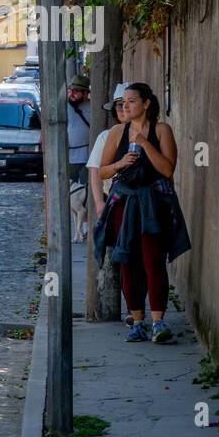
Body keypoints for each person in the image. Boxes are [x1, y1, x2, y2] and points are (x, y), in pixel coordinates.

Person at [93, 82, 190, 343]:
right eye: (123, 101)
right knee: (128, 261)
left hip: (154, 204)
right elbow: (102, 171)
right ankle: (137, 321)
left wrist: (145, 144)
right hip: (125, 203)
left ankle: (158, 322)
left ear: (146, 103)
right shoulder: (116, 132)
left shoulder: (161, 131)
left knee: (153, 260)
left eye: (131, 100)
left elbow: (168, 170)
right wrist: (119, 163)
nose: (125, 105)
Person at [88, 83, 129, 217]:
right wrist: (99, 203)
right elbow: (95, 171)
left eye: (129, 104)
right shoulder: (105, 137)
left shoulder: (153, 133)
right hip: (114, 198)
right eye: (119, 105)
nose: (124, 109)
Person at [66, 74, 92, 187]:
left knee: (86, 190)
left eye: (75, 91)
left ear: (86, 93)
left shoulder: (94, 108)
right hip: (68, 159)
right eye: (70, 90)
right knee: (69, 193)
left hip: (88, 159)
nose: (71, 94)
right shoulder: (63, 106)